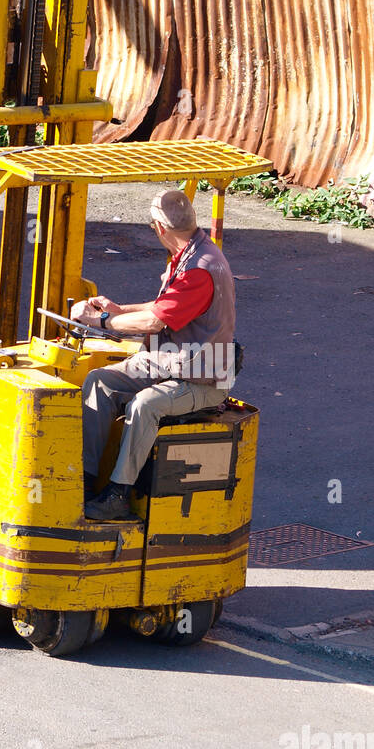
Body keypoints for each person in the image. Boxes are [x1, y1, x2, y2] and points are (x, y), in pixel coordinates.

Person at [74, 187, 237, 521]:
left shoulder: (200, 269)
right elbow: (162, 307)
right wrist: (119, 309)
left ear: (159, 228)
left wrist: (104, 319)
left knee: (145, 405)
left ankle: (118, 494)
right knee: (99, 382)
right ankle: (86, 482)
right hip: (172, 363)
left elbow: (154, 320)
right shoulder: (189, 255)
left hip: (202, 378)